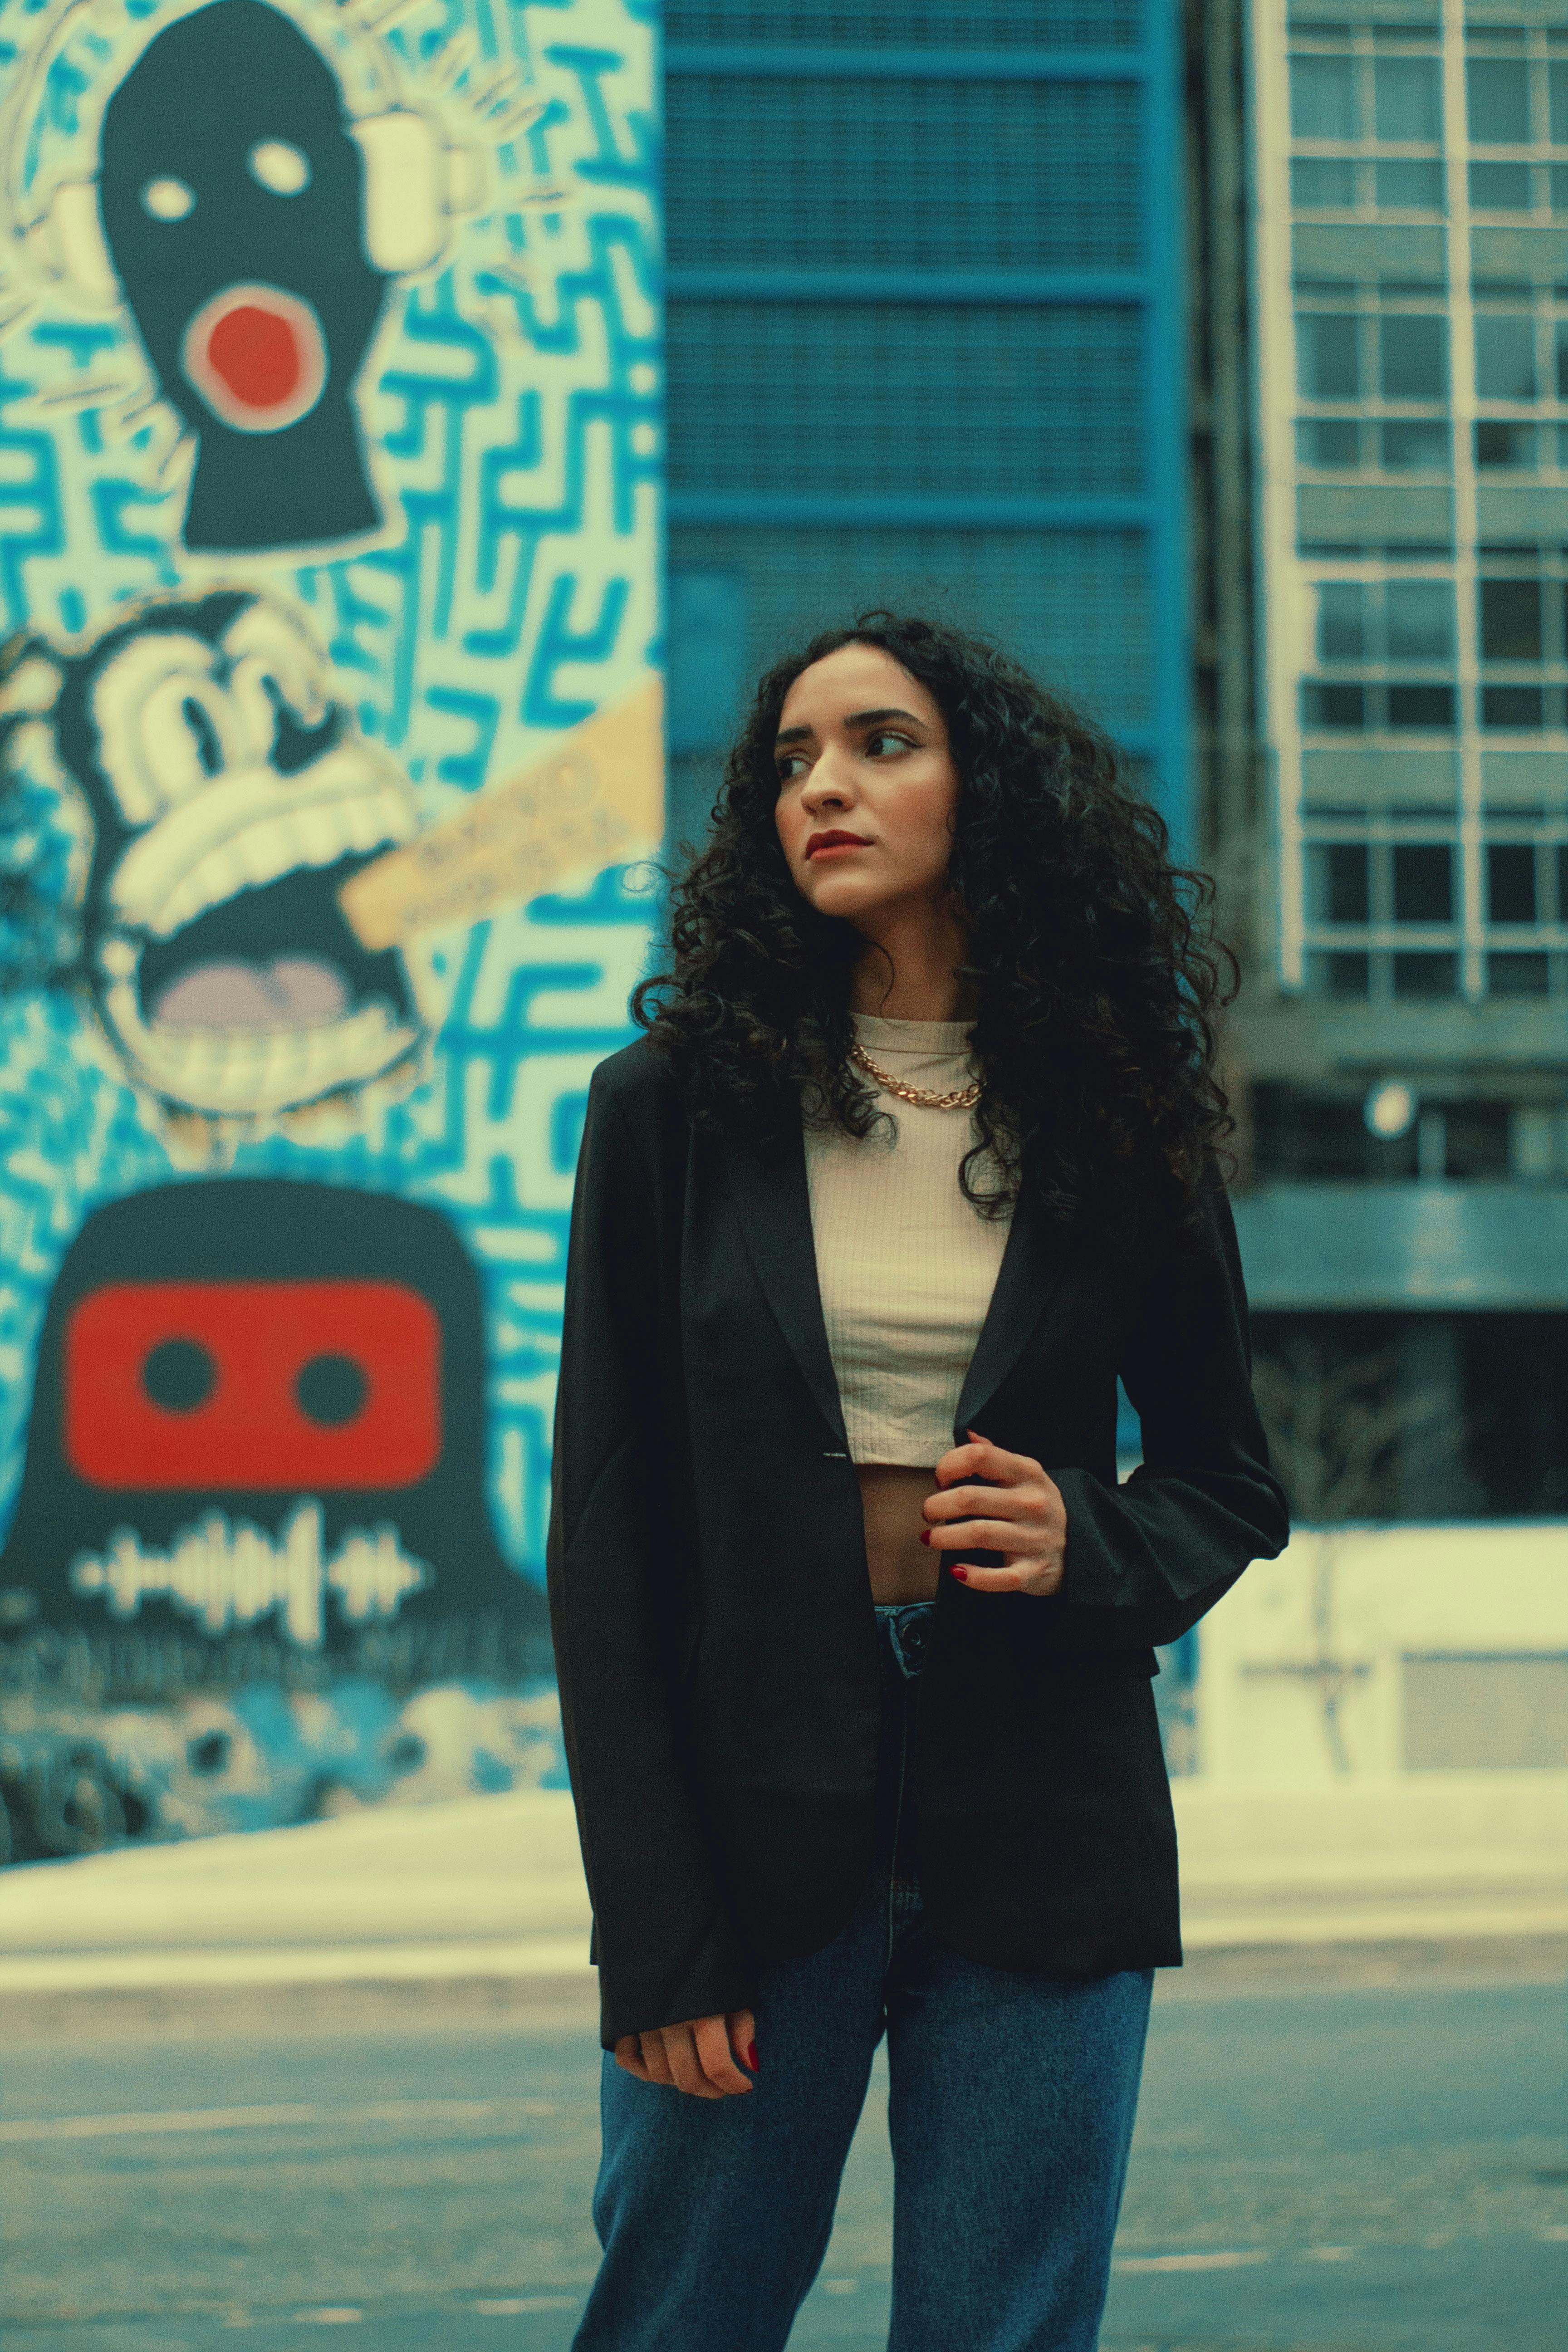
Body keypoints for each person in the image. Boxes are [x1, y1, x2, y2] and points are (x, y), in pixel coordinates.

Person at [547, 614, 1289, 2351]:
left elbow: (1226, 1478)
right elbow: (607, 1541)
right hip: (748, 1818)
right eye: (793, 760)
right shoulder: (668, 1111)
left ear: (990, 792)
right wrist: (652, 1933)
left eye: (881, 743)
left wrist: (1082, 1534)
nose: (826, 786)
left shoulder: (1119, 1113)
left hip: (1046, 1808)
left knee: (1005, 2328)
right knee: (681, 2316)